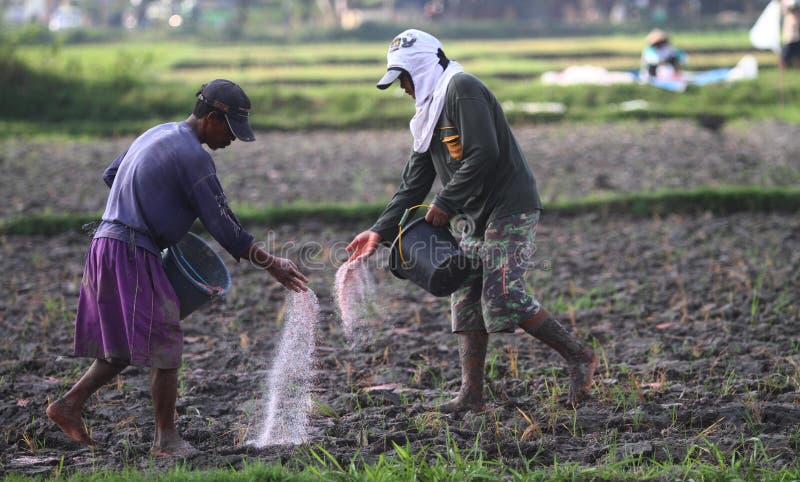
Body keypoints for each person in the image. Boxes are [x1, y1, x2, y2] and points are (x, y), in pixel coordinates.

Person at [46, 79, 308, 456]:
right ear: (213, 117)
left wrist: (154, 209)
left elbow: (112, 174)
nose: (232, 139)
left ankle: (68, 405)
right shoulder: (194, 158)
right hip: (132, 250)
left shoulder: (158, 132)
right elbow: (224, 225)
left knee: (121, 347)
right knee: (165, 343)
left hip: (106, 242)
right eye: (230, 129)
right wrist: (272, 264)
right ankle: (166, 440)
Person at [346, 30, 597, 411]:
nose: (404, 90)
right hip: (476, 215)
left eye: (405, 79)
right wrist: (378, 232)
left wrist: (446, 201)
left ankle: (579, 355)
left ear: (422, 68)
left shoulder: (462, 89)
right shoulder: (427, 118)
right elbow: (412, 186)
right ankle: (471, 395)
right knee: (465, 296)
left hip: (509, 205)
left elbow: (484, 153)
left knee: (503, 297)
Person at [781, 0, 800, 69]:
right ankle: (783, 68)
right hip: (790, 35)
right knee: (786, 54)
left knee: (798, 54)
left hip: (797, 35)